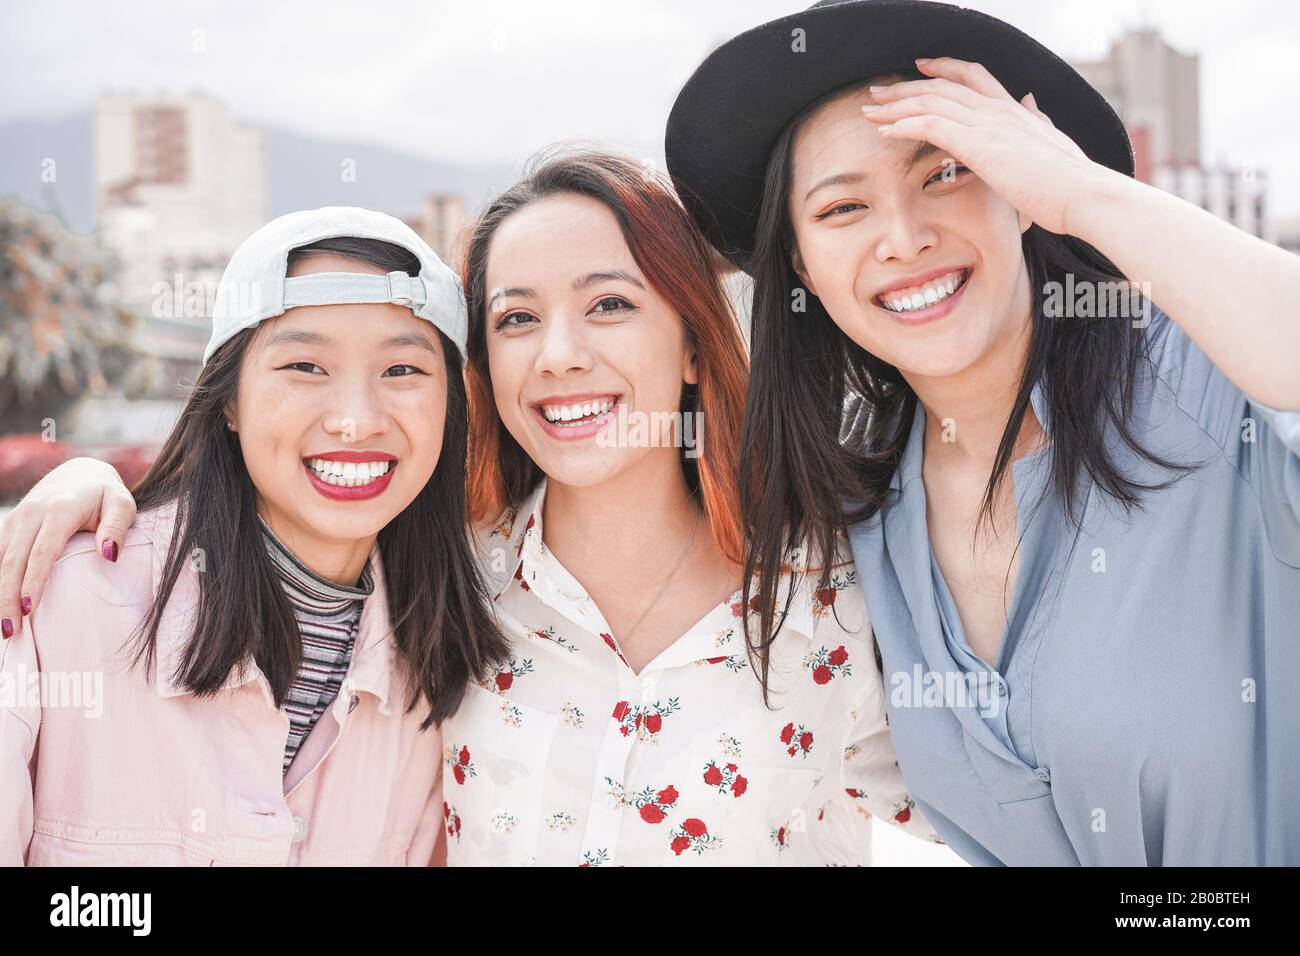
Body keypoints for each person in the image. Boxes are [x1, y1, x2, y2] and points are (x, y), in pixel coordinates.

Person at [3, 151, 939, 866]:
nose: (561, 355)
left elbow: (1014, 802)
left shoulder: (841, 594)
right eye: (517, 318)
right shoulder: (451, 599)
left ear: (695, 344)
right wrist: (91, 489)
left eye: (609, 304)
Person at [665, 0, 1300, 864]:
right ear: (801, 265)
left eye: (947, 173)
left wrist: (1081, 192)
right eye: (843, 210)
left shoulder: (1200, 391)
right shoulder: (861, 518)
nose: (904, 237)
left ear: (1020, 190)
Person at [0, 207, 506, 865]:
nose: (356, 421)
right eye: (305, 366)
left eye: (402, 371)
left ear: (451, 410)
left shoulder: (436, 671)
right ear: (229, 400)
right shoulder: (59, 601)